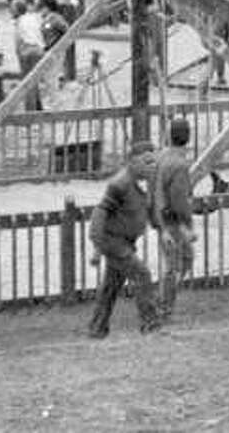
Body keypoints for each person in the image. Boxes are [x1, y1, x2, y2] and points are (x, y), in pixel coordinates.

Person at [86, 140, 162, 338]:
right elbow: (99, 214)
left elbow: (151, 211)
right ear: (132, 162)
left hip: (126, 242)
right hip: (114, 243)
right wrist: (96, 246)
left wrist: (162, 230)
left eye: (154, 162)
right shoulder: (119, 184)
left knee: (111, 286)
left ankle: (97, 328)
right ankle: (150, 324)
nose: (152, 166)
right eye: (147, 162)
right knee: (142, 275)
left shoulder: (146, 183)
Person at [151, 120, 196, 320]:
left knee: (182, 260)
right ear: (189, 137)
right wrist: (186, 225)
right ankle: (163, 307)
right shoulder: (179, 165)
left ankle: (162, 302)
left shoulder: (161, 158)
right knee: (176, 265)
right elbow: (179, 199)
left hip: (160, 216)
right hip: (172, 220)